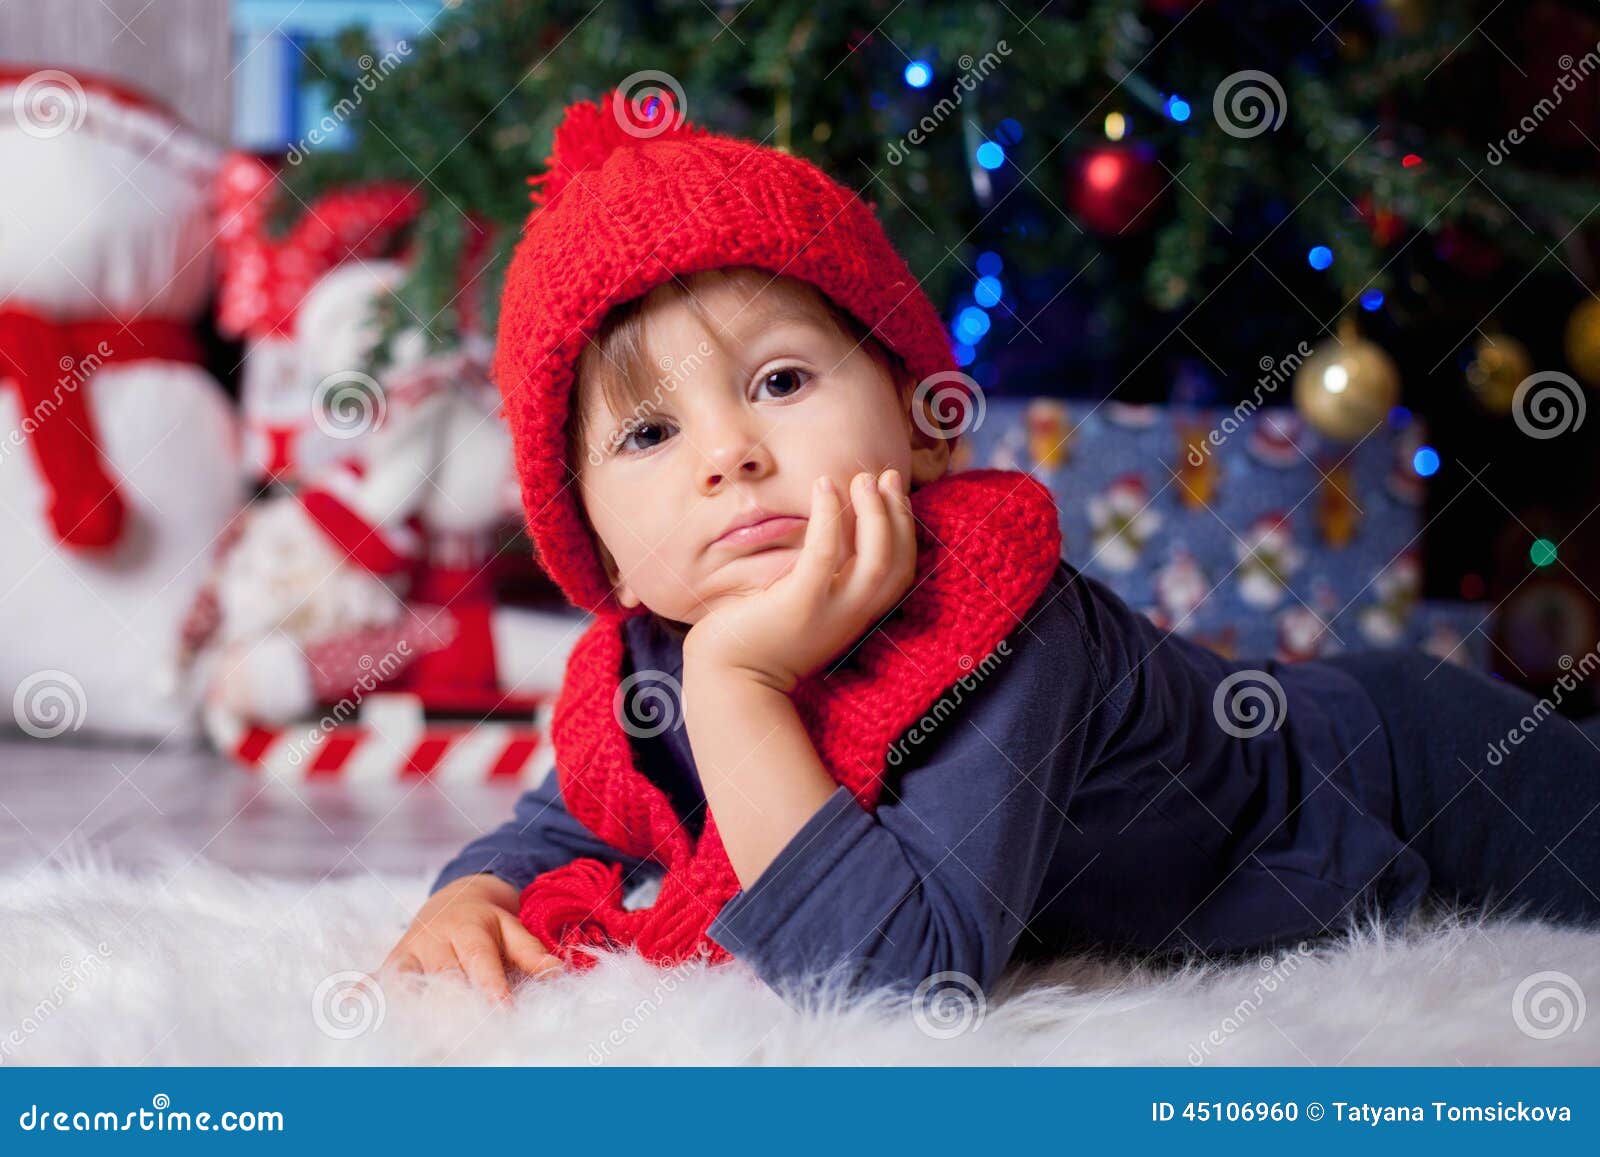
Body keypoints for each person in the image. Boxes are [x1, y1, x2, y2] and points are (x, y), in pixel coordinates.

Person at [381, 90, 1600, 1009]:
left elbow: (901, 977)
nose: (729, 454)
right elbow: (574, 819)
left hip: (1399, 772)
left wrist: (738, 684)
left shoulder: (995, 624)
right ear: (602, 556)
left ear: (922, 426)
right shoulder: (646, 666)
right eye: (648, 431)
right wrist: (474, 892)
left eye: (782, 379)